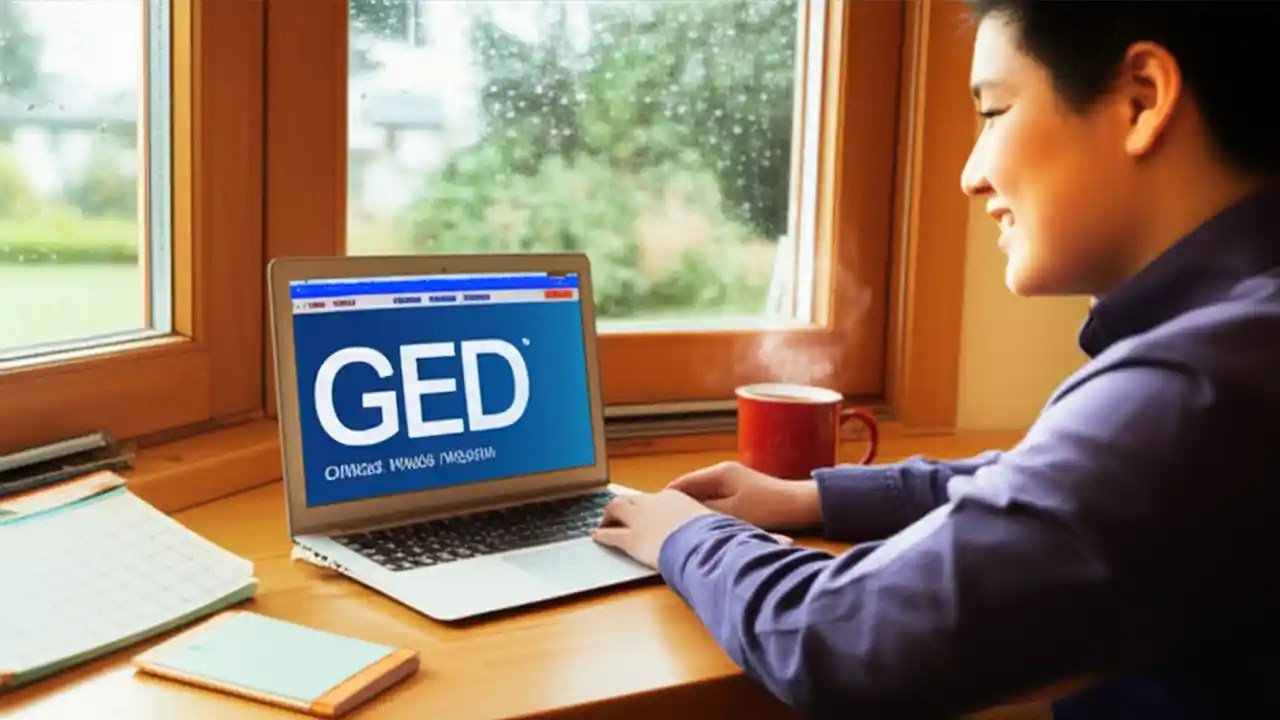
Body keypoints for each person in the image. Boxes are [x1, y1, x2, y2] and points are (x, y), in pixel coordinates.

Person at [591, 1, 1280, 717]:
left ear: (1142, 99)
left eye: (994, 111)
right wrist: (811, 498)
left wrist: (687, 536)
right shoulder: (1235, 352)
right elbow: (1043, 486)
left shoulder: (1207, 382)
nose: (970, 176)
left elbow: (845, 638)